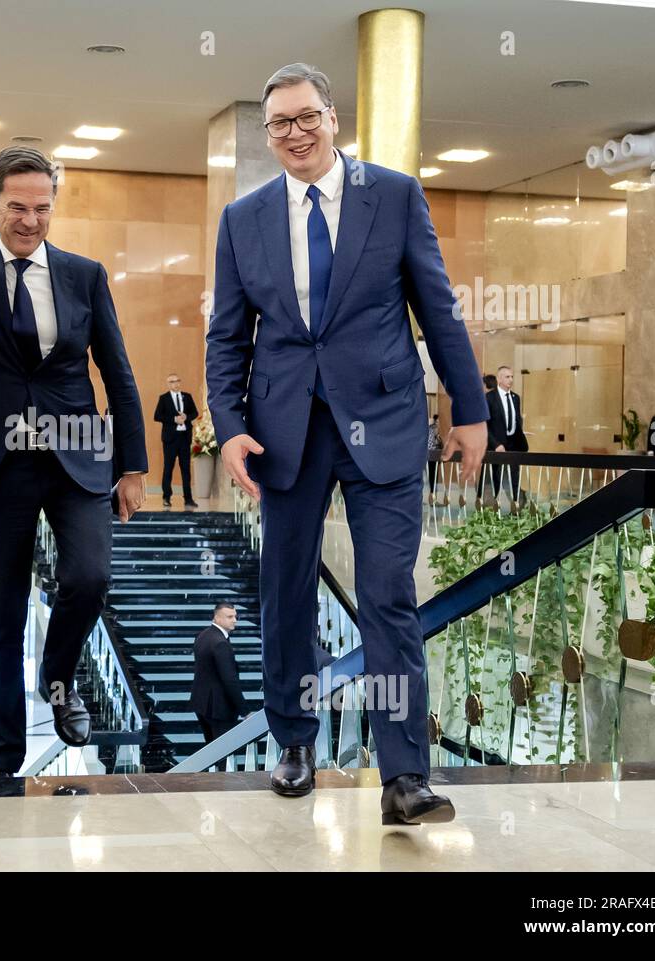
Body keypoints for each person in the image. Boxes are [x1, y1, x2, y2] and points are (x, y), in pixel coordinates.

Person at [205, 63, 487, 826]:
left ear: (334, 118)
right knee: (285, 593)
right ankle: (294, 742)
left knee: (388, 592)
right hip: (284, 436)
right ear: (269, 135)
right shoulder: (245, 218)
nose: (294, 133)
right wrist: (228, 428)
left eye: (307, 118)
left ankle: (405, 778)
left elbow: (439, 306)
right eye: (280, 124)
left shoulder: (391, 195)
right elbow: (226, 337)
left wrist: (470, 407)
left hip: (386, 429)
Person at [0, 146, 147, 777]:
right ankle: (2, 757)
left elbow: (116, 371)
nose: (30, 220)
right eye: (17, 207)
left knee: (89, 576)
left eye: (42, 208)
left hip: (77, 453)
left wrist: (134, 466)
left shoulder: (83, 274)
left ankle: (57, 677)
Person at [189, 603, 248, 744]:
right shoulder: (220, 643)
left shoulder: (203, 635)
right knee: (222, 753)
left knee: (211, 749)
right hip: (218, 708)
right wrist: (245, 711)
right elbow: (229, 679)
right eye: (230, 616)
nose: (235, 620)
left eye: (235, 616)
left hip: (202, 704)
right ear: (217, 618)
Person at [154, 374, 200, 508]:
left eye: (177, 381)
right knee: (168, 468)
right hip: (170, 439)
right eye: (172, 382)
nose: (175, 384)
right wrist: (173, 419)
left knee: (186, 469)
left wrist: (186, 417)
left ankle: (188, 498)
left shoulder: (187, 396)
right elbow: (157, 416)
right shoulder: (164, 399)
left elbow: (195, 413)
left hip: (184, 438)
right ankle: (166, 497)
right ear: (168, 384)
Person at [483, 365, 527, 502]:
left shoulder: (516, 398)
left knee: (514, 477)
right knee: (494, 479)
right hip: (496, 446)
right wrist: (496, 445)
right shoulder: (489, 398)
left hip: (514, 445)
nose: (511, 380)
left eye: (512, 376)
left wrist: (519, 432)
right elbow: (484, 425)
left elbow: (516, 418)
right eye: (507, 377)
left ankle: (517, 508)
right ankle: (491, 511)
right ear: (499, 379)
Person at [426, 413, 442, 495]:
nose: (439, 424)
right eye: (438, 422)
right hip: (430, 457)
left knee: (434, 477)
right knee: (432, 477)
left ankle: (433, 496)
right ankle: (432, 495)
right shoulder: (430, 429)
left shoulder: (438, 433)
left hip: (436, 457)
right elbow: (429, 445)